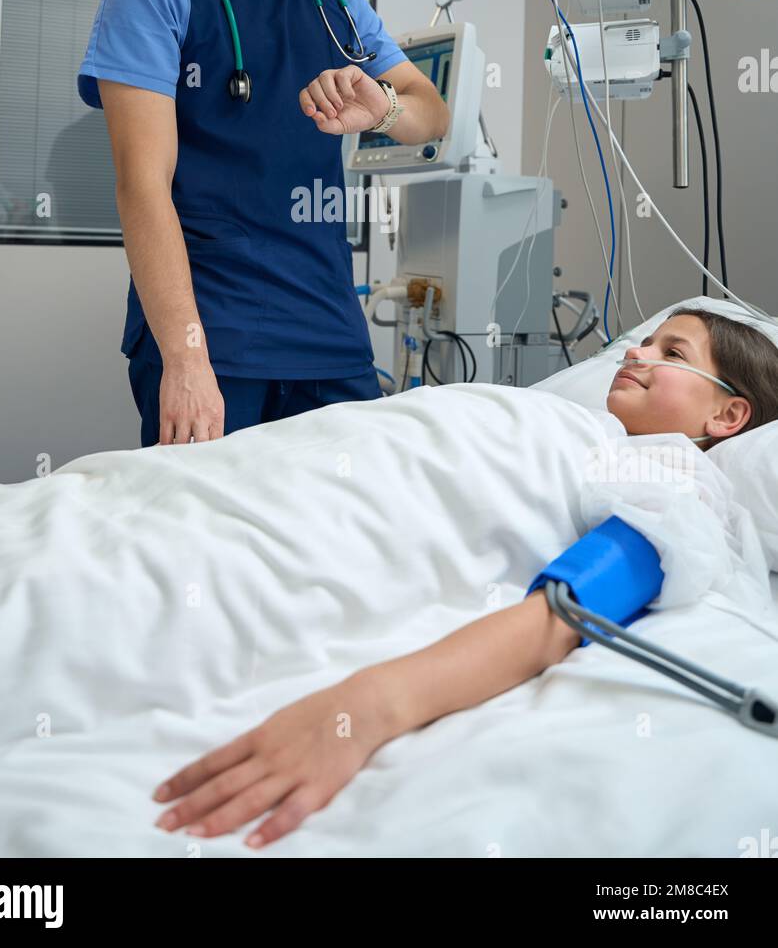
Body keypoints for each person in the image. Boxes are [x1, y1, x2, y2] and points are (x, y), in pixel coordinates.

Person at [150, 306, 778, 850]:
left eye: (673, 352)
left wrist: (367, 707)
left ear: (727, 416)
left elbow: (576, 603)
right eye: (650, 340)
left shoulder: (681, 478)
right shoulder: (589, 434)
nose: (638, 351)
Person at [77, 0, 449, 445]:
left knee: (340, 542)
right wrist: (186, 359)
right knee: (201, 546)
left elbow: (432, 112)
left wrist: (386, 108)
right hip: (215, 340)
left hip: (331, 337)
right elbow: (142, 185)